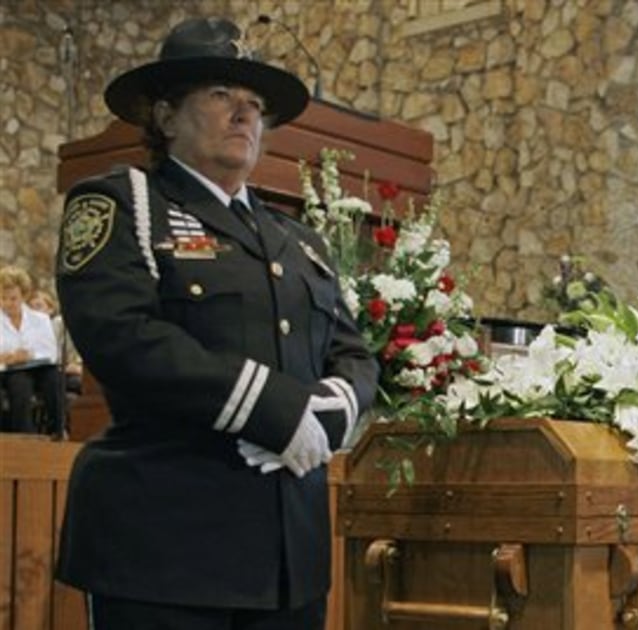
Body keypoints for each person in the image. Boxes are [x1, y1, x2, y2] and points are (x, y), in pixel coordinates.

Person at [54, 16, 378, 630]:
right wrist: (277, 410)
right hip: (165, 544)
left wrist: (333, 412)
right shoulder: (125, 202)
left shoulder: (298, 240)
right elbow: (121, 335)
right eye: (221, 96)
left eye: (255, 105)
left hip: (288, 554)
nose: (244, 115)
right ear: (166, 116)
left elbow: (353, 354)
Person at [0, 265, 64, 436]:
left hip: (38, 367)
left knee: (53, 377)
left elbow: (51, 352)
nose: (7, 303)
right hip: (9, 371)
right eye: (3, 298)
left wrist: (29, 355)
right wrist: (8, 358)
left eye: (13, 298)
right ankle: (25, 435)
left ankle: (58, 430)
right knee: (19, 382)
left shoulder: (41, 319)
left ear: (24, 296)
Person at [28, 288, 84, 398]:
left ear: (51, 309)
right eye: (31, 309)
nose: (35, 313)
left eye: (39, 307)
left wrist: (75, 366)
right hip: (47, 374)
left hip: (66, 371)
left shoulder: (59, 324)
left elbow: (72, 352)